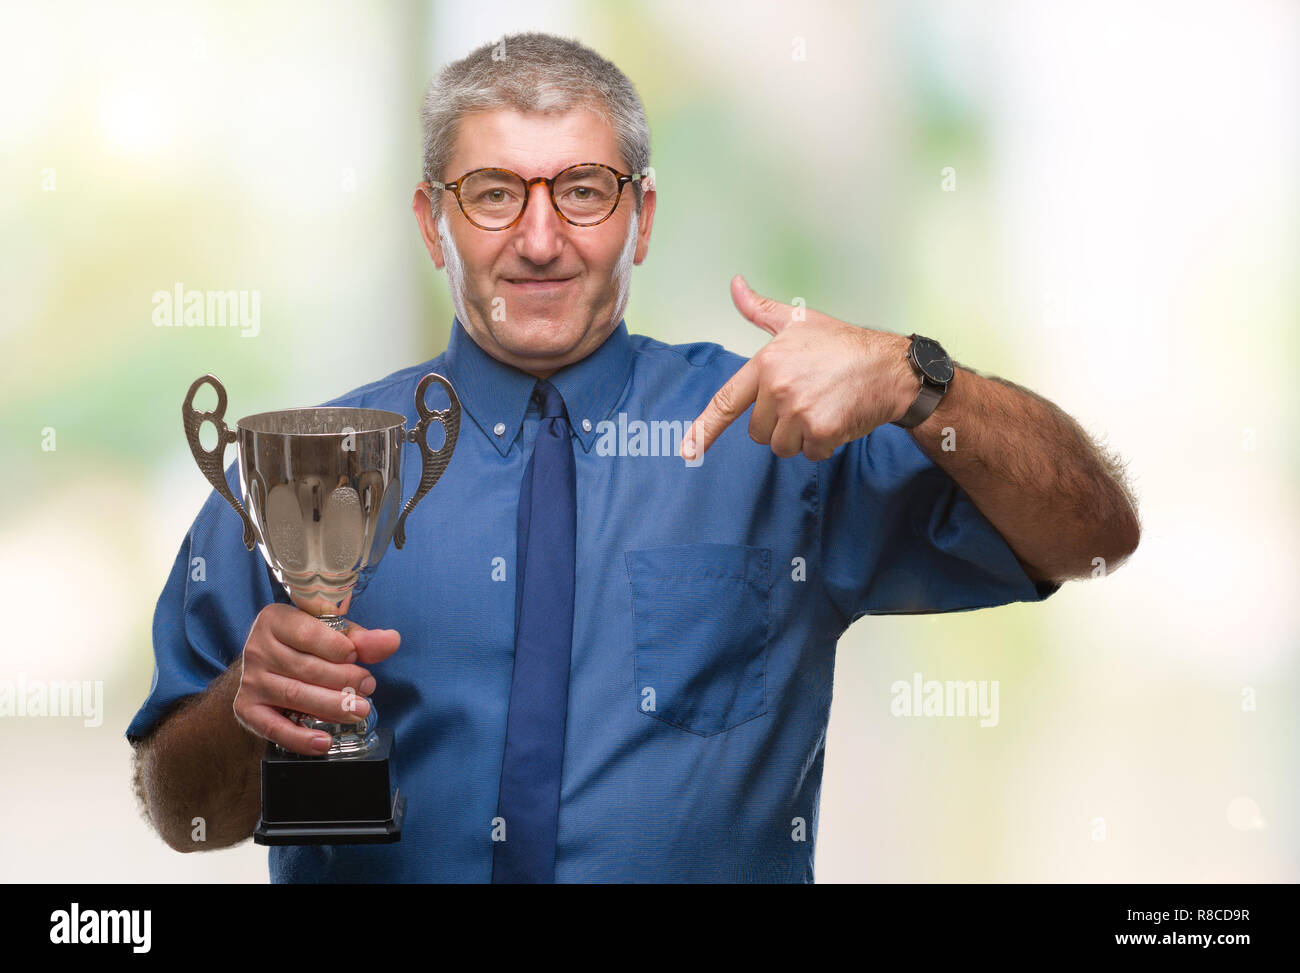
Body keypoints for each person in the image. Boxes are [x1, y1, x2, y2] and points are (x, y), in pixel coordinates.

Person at [128, 31, 1140, 883]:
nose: (538, 239)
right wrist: (242, 706)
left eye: (582, 190)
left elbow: (1096, 538)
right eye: (491, 193)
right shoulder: (305, 468)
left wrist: (927, 380)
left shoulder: (782, 436)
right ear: (432, 223)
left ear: (641, 219)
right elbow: (185, 815)